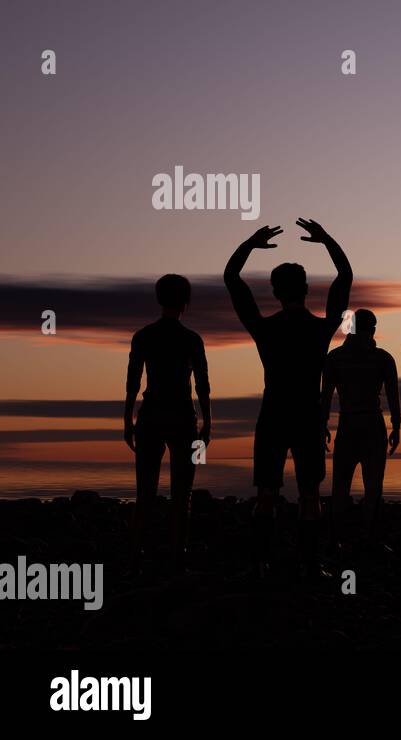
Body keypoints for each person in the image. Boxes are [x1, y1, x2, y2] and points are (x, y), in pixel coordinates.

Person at [224, 219, 352, 576]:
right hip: (308, 416)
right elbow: (345, 277)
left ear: (275, 292)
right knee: (310, 495)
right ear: (308, 289)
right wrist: (326, 240)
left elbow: (231, 278)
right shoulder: (321, 328)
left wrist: (251, 243)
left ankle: (260, 562)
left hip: (274, 415)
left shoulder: (265, 328)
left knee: (267, 492)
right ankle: (309, 565)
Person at [124, 274, 211, 569]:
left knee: (144, 492)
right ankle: (177, 553)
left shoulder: (144, 336)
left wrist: (127, 419)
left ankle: (136, 553)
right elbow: (202, 385)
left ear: (159, 299)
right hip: (182, 417)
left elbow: (133, 383)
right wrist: (208, 422)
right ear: (186, 302)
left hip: (150, 416)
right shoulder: (190, 339)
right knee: (181, 493)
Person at [321, 309, 401, 552]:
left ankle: (339, 537)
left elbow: (325, 398)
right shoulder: (383, 358)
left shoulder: (335, 358)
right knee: (373, 484)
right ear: (372, 330)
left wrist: (322, 424)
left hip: (349, 424)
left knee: (342, 484)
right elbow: (393, 398)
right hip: (370, 425)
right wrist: (396, 426)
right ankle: (367, 536)